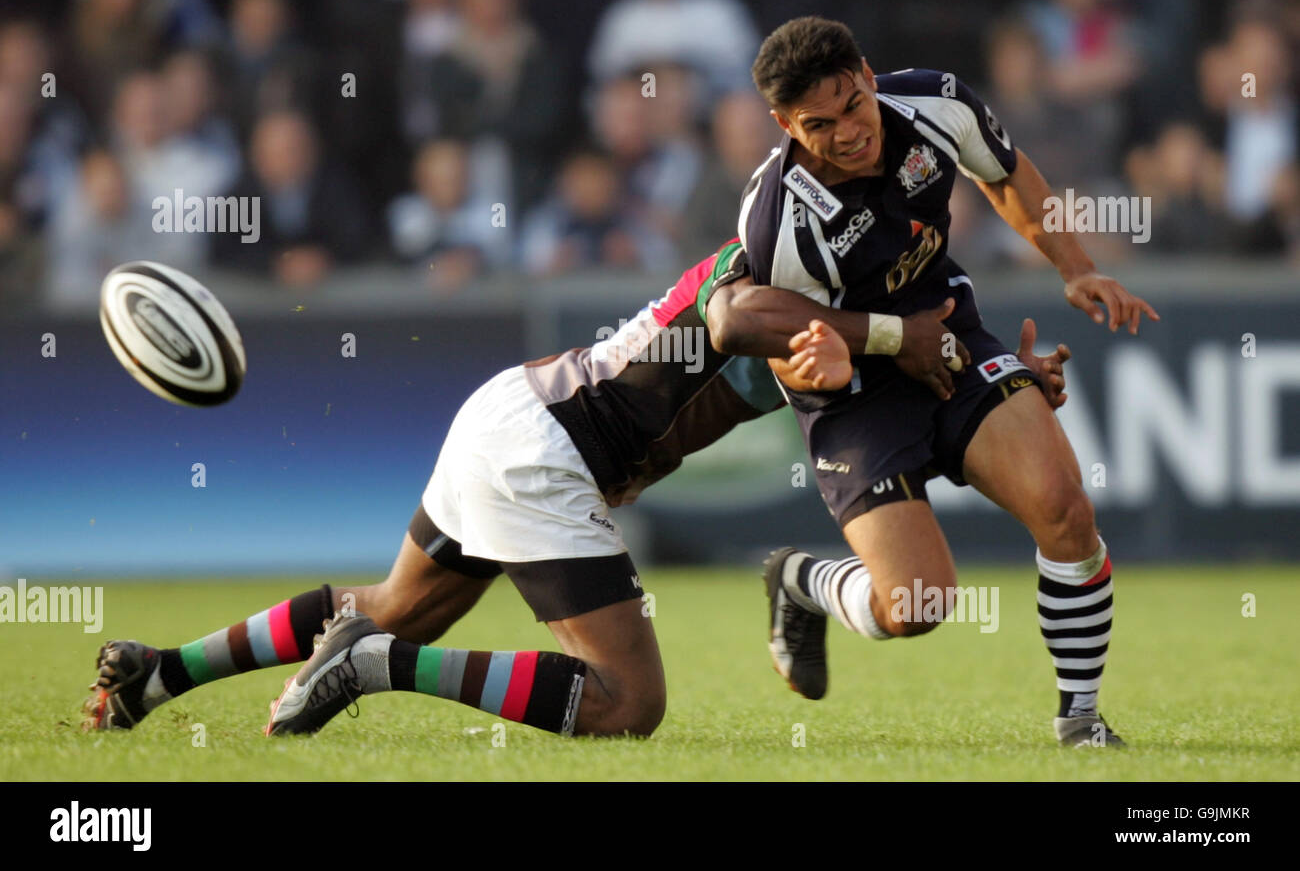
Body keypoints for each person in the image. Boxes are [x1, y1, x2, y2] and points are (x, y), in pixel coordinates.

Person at [83, 242, 1071, 739]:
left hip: (507, 411)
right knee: (627, 702)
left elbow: (892, 373)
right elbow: (763, 332)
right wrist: (944, 361)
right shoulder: (775, 293)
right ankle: (379, 667)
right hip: (547, 453)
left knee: (391, 602)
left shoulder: (789, 273)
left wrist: (1004, 381)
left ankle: (158, 671)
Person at [708, 16, 1158, 748]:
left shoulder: (935, 105)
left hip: (949, 338)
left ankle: (1080, 719)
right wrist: (852, 351)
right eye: (819, 125)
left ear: (866, 70)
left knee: (1065, 509)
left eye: (853, 103)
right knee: (917, 605)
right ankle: (802, 582)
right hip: (852, 392)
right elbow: (773, 334)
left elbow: (1005, 174)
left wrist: (1075, 269)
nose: (848, 132)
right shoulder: (779, 221)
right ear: (784, 123)